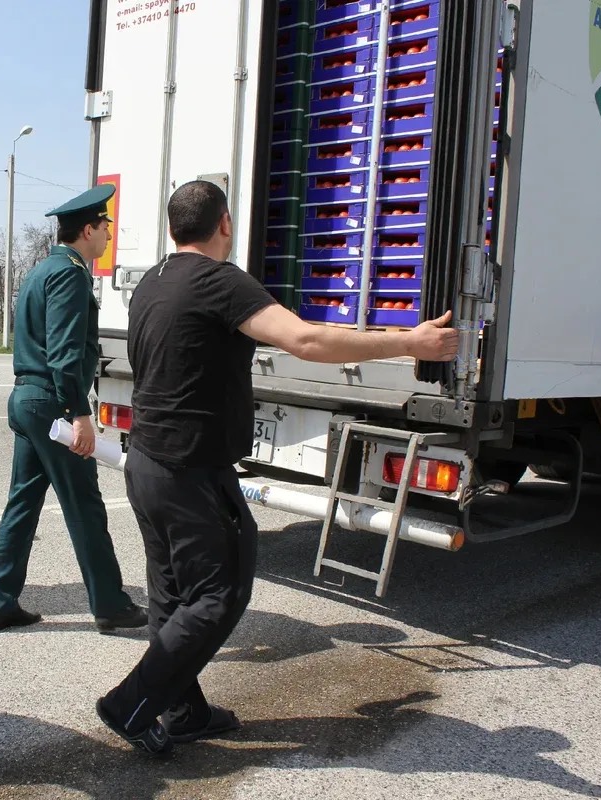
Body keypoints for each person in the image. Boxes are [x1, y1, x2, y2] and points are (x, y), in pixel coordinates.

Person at [95, 180, 460, 756]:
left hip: (147, 462)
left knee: (173, 593)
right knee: (219, 594)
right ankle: (129, 705)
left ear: (172, 229)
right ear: (225, 224)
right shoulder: (219, 281)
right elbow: (306, 341)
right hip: (191, 471)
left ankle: (184, 711)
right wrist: (408, 342)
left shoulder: (152, 282)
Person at [0, 185, 147, 634]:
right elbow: (65, 353)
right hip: (53, 403)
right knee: (85, 505)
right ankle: (110, 605)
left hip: (28, 399)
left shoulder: (42, 269)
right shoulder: (70, 274)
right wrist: (79, 414)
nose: (109, 234)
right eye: (105, 226)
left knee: (22, 505)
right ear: (88, 230)